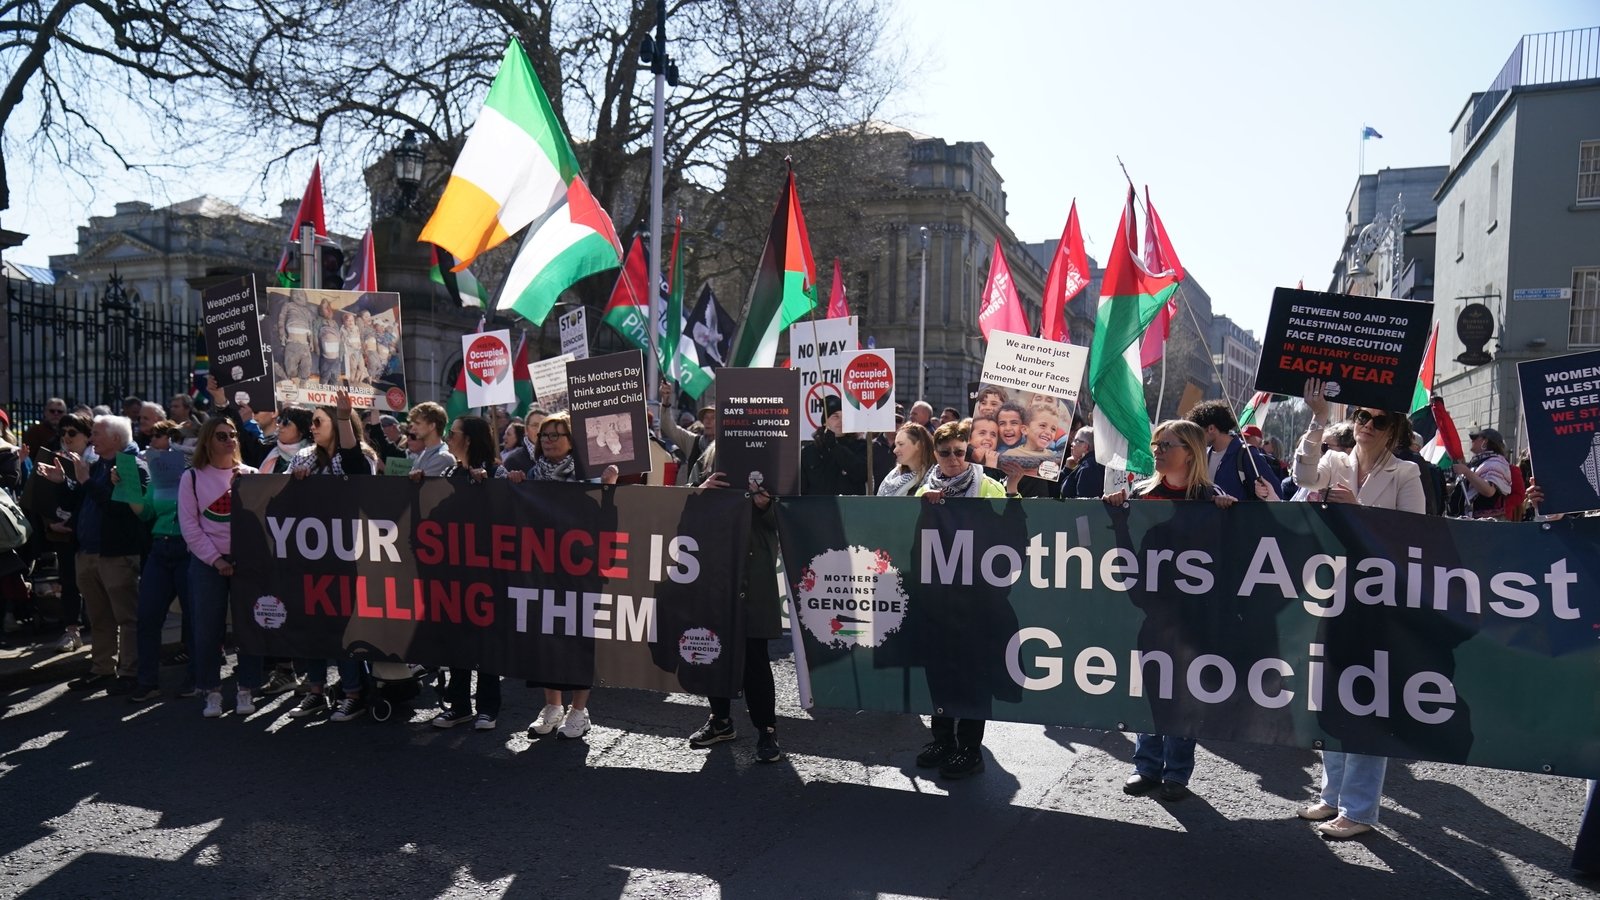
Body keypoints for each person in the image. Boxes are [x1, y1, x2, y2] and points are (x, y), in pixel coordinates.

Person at [1293, 377, 1424, 839]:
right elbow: (1302, 477)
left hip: (1379, 602)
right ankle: (1332, 797)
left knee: (1369, 702)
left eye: (1378, 420)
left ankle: (1361, 809)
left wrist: (1360, 511)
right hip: (1332, 595)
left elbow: (1412, 537)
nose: (1366, 425)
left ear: (1394, 430)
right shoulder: (1335, 460)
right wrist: (1317, 419)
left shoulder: (1405, 474)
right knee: (1330, 696)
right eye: (1361, 417)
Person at [1104, 419, 1237, 802]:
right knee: (1153, 692)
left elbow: (1231, 554)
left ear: (1190, 452)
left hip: (1194, 618)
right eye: (1156, 444)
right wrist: (1116, 513)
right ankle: (1146, 765)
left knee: (1183, 694)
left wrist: (1229, 513)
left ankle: (1177, 771)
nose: (1158, 451)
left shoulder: (1210, 498)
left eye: (1166, 445)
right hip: (1152, 614)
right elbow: (1124, 550)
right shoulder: (1143, 494)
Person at [912, 419, 1011, 779]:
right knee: (939, 671)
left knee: (971, 674)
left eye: (959, 451)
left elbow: (1005, 527)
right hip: (937, 598)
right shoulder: (925, 486)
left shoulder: (985, 484)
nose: (953, 458)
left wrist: (1012, 486)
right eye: (945, 452)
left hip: (976, 598)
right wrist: (924, 504)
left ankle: (970, 747)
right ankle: (943, 739)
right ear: (935, 454)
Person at [519, 412, 618, 739]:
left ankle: (578, 711)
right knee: (546, 636)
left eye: (556, 435)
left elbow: (607, 523)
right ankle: (552, 706)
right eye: (544, 435)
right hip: (544, 570)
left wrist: (607, 490)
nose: (548, 441)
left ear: (573, 441)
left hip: (581, 571)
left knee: (579, 639)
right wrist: (515, 489)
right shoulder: (532, 474)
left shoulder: (589, 477)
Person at [286, 391, 379, 721]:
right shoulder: (303, 459)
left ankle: (353, 692)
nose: (311, 427)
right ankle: (315, 690)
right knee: (311, 621)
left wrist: (342, 416)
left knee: (343, 624)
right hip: (309, 553)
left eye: (317, 421)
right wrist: (296, 485)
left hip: (347, 554)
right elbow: (280, 501)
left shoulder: (359, 456)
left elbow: (356, 467)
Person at [687, 451, 785, 763]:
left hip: (753, 578)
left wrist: (766, 505)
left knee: (755, 659)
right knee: (712, 651)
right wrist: (701, 491)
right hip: (714, 575)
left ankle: (766, 731)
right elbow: (681, 510)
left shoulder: (773, 464)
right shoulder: (706, 461)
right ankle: (720, 721)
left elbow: (785, 519)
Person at [178, 416, 262, 717]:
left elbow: (261, 522)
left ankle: (246, 688)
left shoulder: (250, 475)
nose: (230, 440)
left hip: (246, 562)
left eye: (232, 435)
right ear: (208, 441)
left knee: (248, 627)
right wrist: (216, 560)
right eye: (221, 436)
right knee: (206, 629)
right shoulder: (192, 478)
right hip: (206, 564)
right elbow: (189, 526)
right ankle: (210, 690)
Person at [428, 415, 507, 731]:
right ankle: (458, 705)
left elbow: (509, 514)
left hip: (488, 572)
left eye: (453, 432)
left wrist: (489, 487)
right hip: (454, 571)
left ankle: (488, 707)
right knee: (456, 639)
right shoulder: (449, 472)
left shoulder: (496, 472)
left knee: (486, 640)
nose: (448, 437)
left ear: (469, 439)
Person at [61, 415, 148, 694]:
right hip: (88, 553)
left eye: (97, 433)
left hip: (116, 555)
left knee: (127, 617)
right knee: (99, 617)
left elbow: (122, 510)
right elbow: (85, 503)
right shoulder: (97, 466)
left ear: (115, 439)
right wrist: (63, 481)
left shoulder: (131, 465)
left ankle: (130, 671)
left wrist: (86, 482)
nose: (91, 438)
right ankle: (102, 668)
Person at [125, 420, 198, 701]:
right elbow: (144, 513)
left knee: (193, 617)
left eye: (169, 437)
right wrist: (128, 486)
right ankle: (148, 682)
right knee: (147, 616)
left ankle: (197, 677)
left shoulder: (197, 473)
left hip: (188, 549)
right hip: (160, 548)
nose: (160, 441)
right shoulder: (158, 472)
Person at [32, 412, 93, 652]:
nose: (66, 437)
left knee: (94, 582)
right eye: (63, 432)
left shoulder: (94, 462)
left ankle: (103, 630)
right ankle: (72, 631)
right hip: (63, 532)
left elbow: (89, 499)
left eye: (72, 432)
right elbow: (39, 497)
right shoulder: (55, 458)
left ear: (87, 436)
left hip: (88, 532)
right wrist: (50, 524)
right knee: (69, 581)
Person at [1186, 399, 1282, 500]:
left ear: (1211, 429)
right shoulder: (1203, 456)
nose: (1194, 437)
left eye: (1197, 432)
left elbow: (1275, 495)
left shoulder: (1247, 455)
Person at [801, 397, 871, 495]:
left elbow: (861, 474)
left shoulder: (861, 447)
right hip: (818, 508)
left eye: (845, 417)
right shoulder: (809, 451)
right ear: (825, 422)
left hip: (850, 507)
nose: (841, 421)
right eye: (835, 416)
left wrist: (835, 446)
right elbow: (802, 488)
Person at [1451, 427, 1513, 519]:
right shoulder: (1478, 462)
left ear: (1485, 442)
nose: (1472, 440)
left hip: (1486, 524)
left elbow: (1489, 491)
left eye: (1475, 437)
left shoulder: (1496, 462)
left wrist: (1466, 471)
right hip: (1472, 520)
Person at [876, 423, 935, 496]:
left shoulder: (936, 477)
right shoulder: (893, 476)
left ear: (919, 445)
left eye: (901, 444)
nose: (895, 450)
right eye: (896, 445)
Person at [405, 401, 456, 479]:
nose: (413, 429)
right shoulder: (424, 453)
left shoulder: (442, 457)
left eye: (418, 423)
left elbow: (420, 488)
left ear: (432, 426)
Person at [1060, 427, 1105, 499]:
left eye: (1075, 440)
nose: (1072, 444)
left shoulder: (1089, 467)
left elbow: (1084, 504)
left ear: (1085, 446)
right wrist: (1067, 469)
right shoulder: (1087, 464)